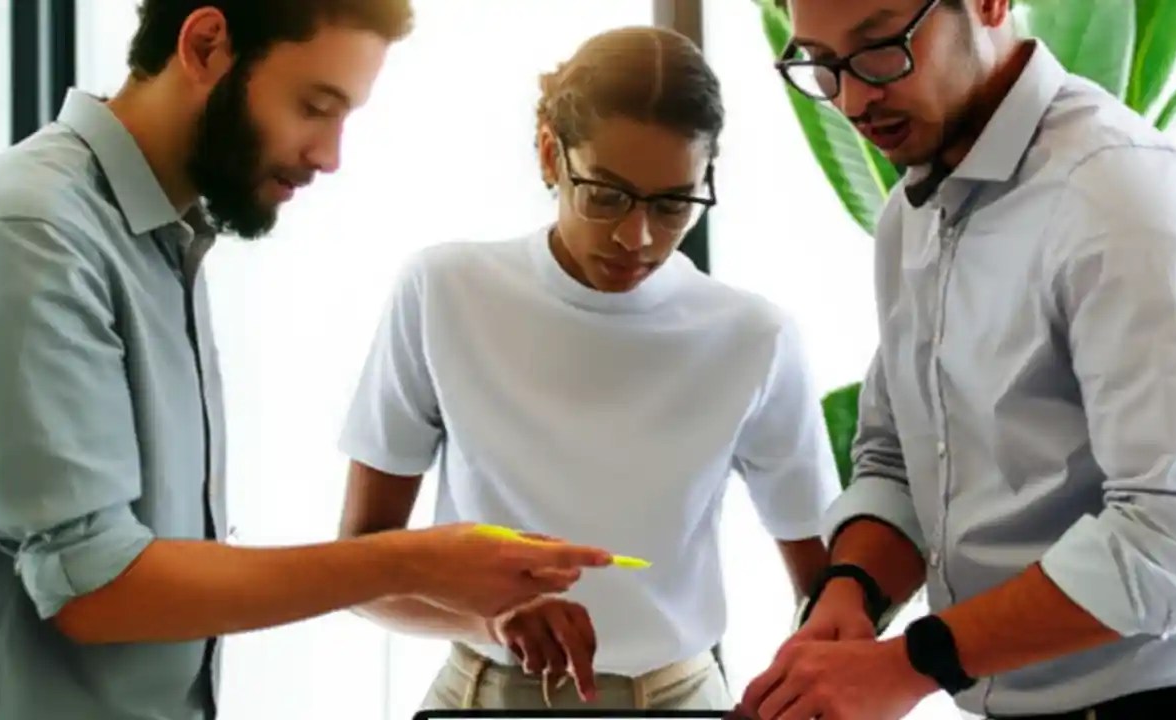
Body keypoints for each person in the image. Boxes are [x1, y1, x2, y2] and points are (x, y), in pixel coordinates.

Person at [0, 3, 617, 719]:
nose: (329, 155)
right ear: (206, 45)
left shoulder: (161, 237)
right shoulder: (34, 231)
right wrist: (417, 561)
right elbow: (96, 588)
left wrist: (463, 600)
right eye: (314, 107)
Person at [337, 24, 843, 712]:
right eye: (606, 195)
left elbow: (825, 591)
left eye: (673, 204)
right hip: (485, 695)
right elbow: (358, 566)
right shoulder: (445, 292)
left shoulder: (754, 337)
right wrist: (489, 622)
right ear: (552, 153)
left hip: (678, 699)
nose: (637, 238)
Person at [736, 0, 1176, 718]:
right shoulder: (910, 215)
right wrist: (851, 591)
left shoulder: (1119, 199)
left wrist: (912, 665)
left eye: (880, 45)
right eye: (822, 65)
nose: (853, 99)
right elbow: (899, 458)